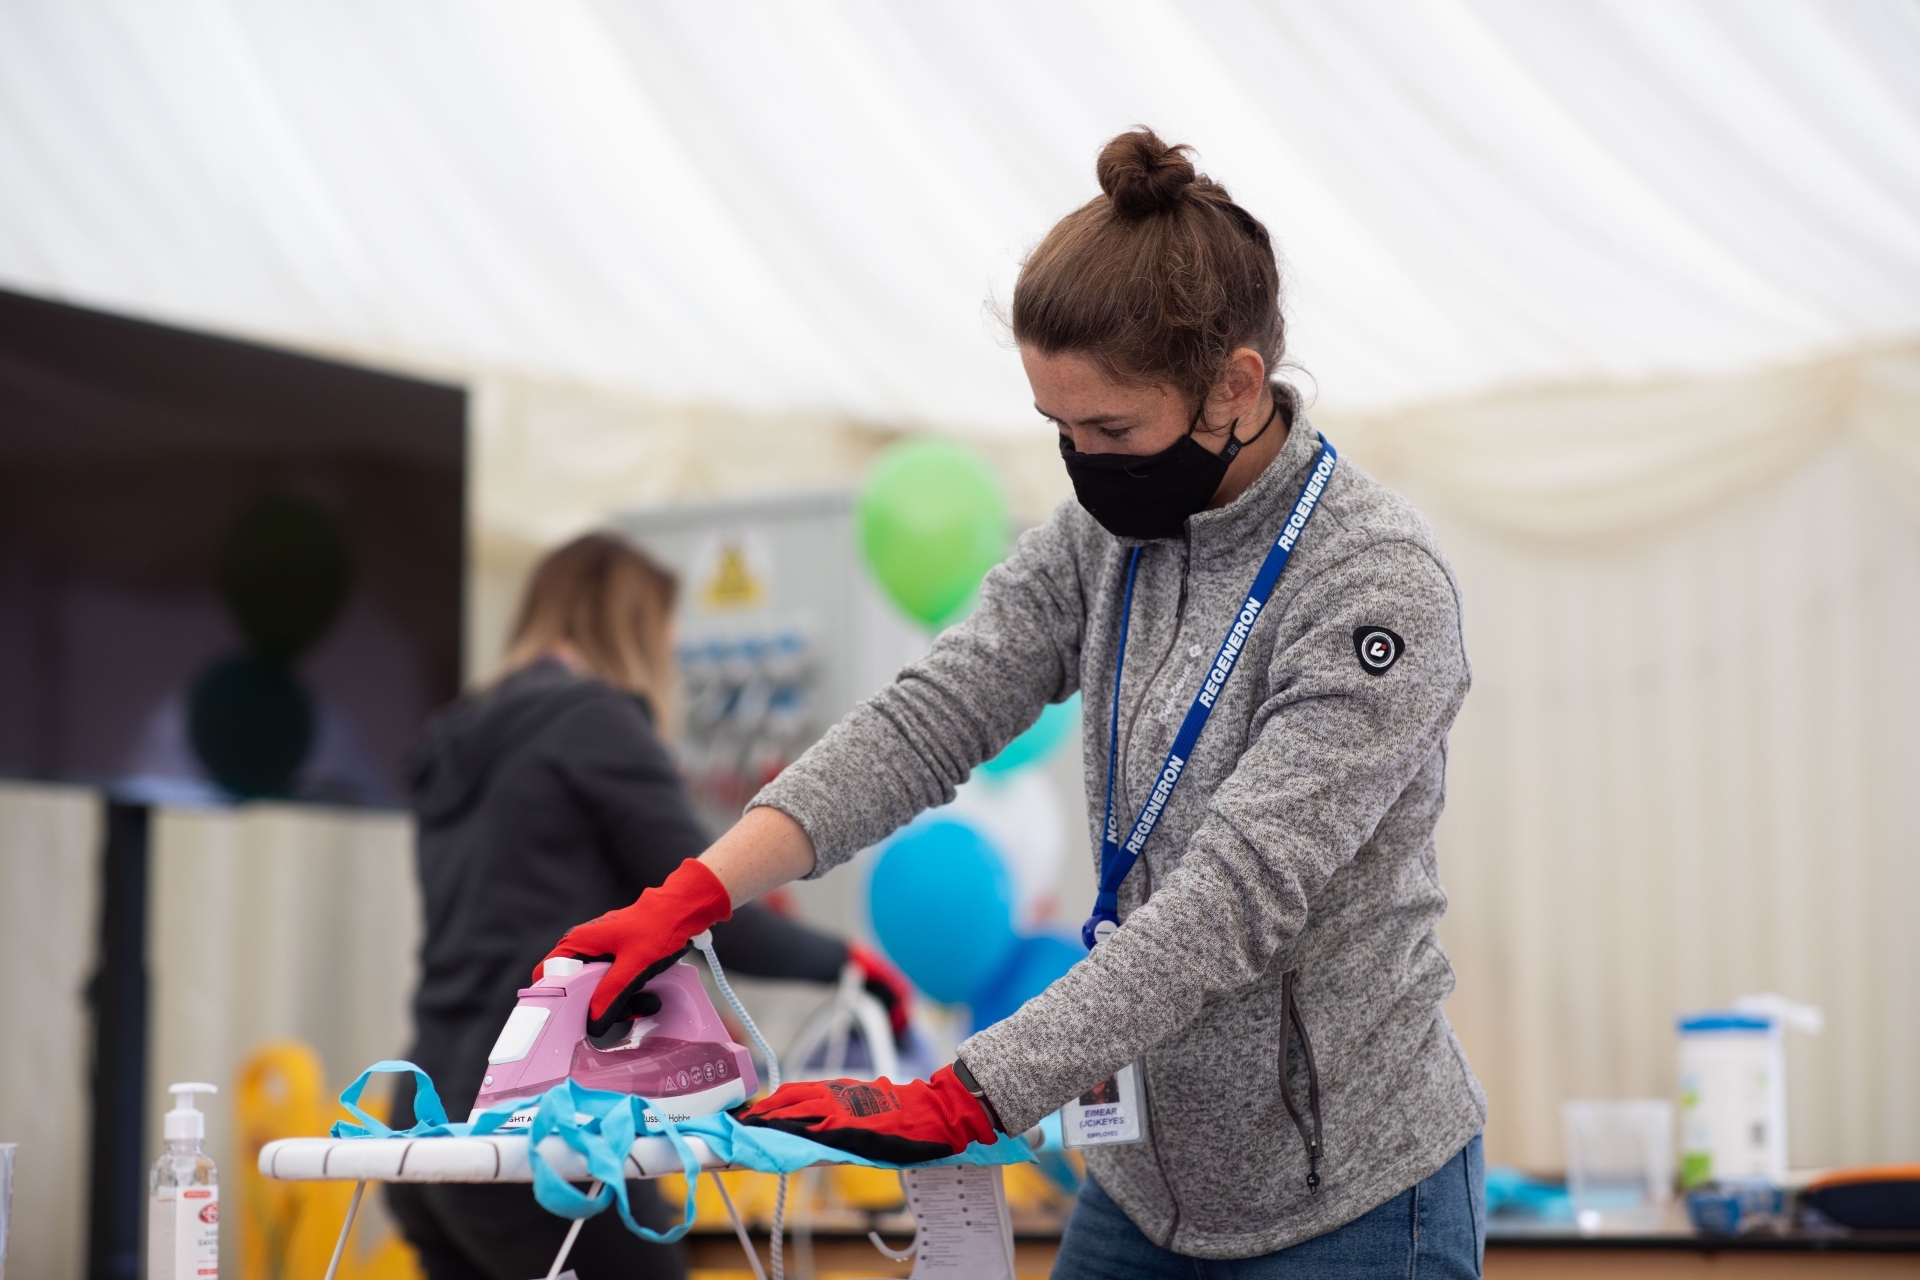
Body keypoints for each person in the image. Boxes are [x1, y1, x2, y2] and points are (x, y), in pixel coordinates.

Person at [545, 129, 1488, 1277]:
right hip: (1142, 1189)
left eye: (1111, 431)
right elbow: (932, 713)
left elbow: (1231, 903)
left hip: (1347, 1198)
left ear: (1236, 384)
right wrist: (697, 890)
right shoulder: (1109, 535)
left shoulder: (1372, 581)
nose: (1083, 463)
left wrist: (966, 1094)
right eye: (1059, 430)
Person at [385, 533, 909, 1280]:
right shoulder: (595, 724)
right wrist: (848, 964)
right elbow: (704, 907)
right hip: (544, 1122)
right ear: (632, 626)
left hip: (424, 1110)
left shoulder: (456, 738)